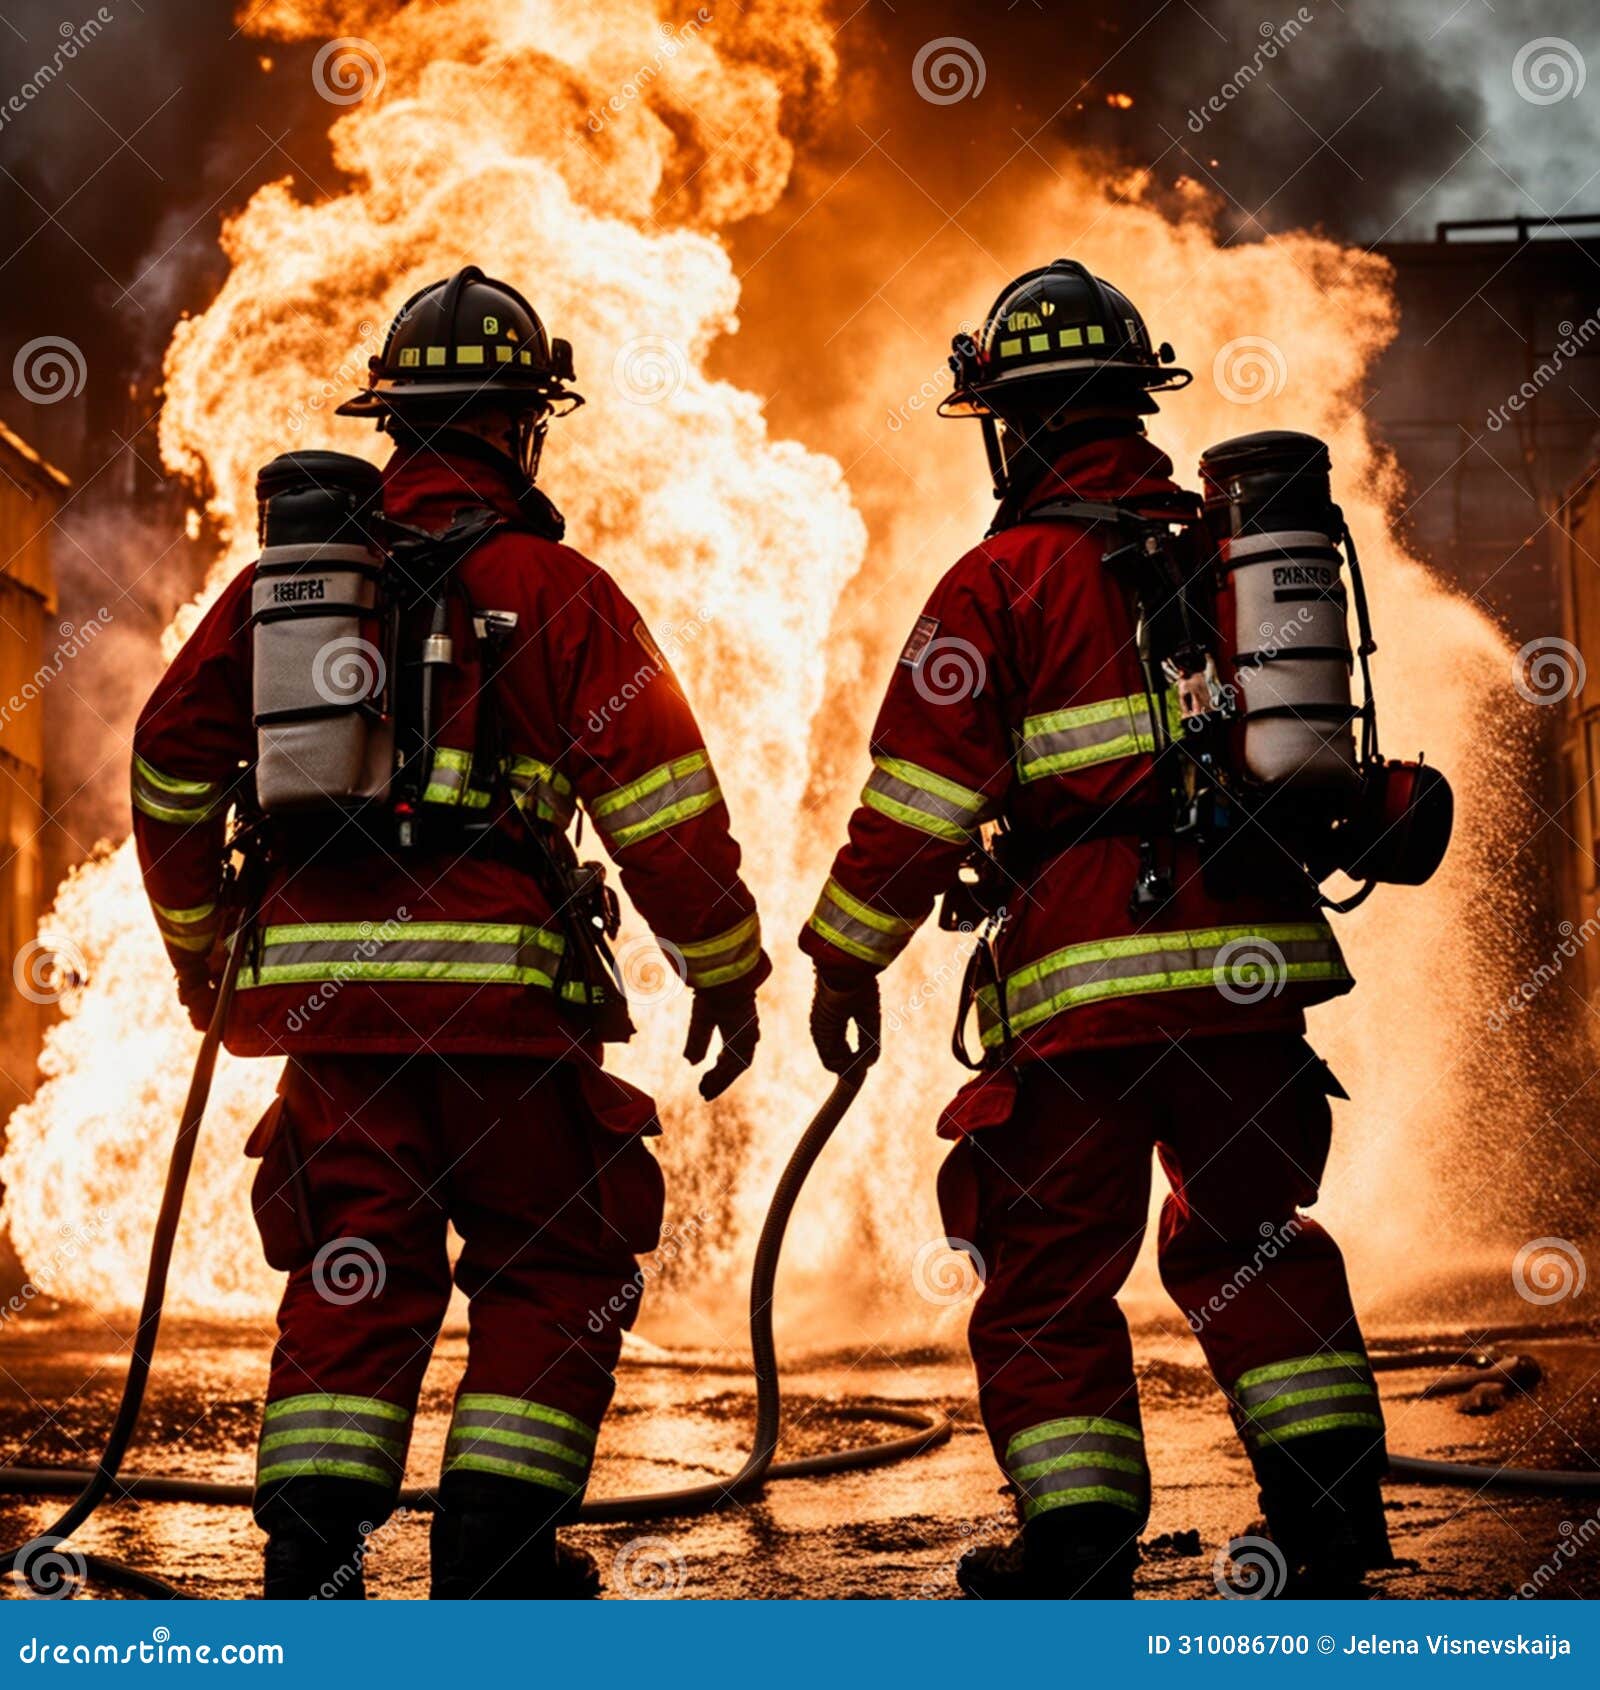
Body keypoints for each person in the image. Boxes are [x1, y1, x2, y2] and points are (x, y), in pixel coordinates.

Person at [132, 267, 767, 1599]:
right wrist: (722, 965)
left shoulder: (283, 591)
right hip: (505, 1022)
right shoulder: (557, 589)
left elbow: (168, 759)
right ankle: (496, 1551)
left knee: (356, 1259)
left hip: (333, 1019)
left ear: (395, 421)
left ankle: (308, 1555)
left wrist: (205, 946)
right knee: (552, 1263)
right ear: (524, 425)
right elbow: (661, 802)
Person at [800, 260, 1387, 1599]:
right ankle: (1332, 1521)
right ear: (1134, 402)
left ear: (1015, 422)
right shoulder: (1233, 555)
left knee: (1050, 1283)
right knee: (1250, 1240)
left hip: (1080, 1005)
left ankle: (1076, 1548)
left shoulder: (998, 583)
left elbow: (915, 804)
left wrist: (843, 953)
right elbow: (1316, 755)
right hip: (1247, 991)